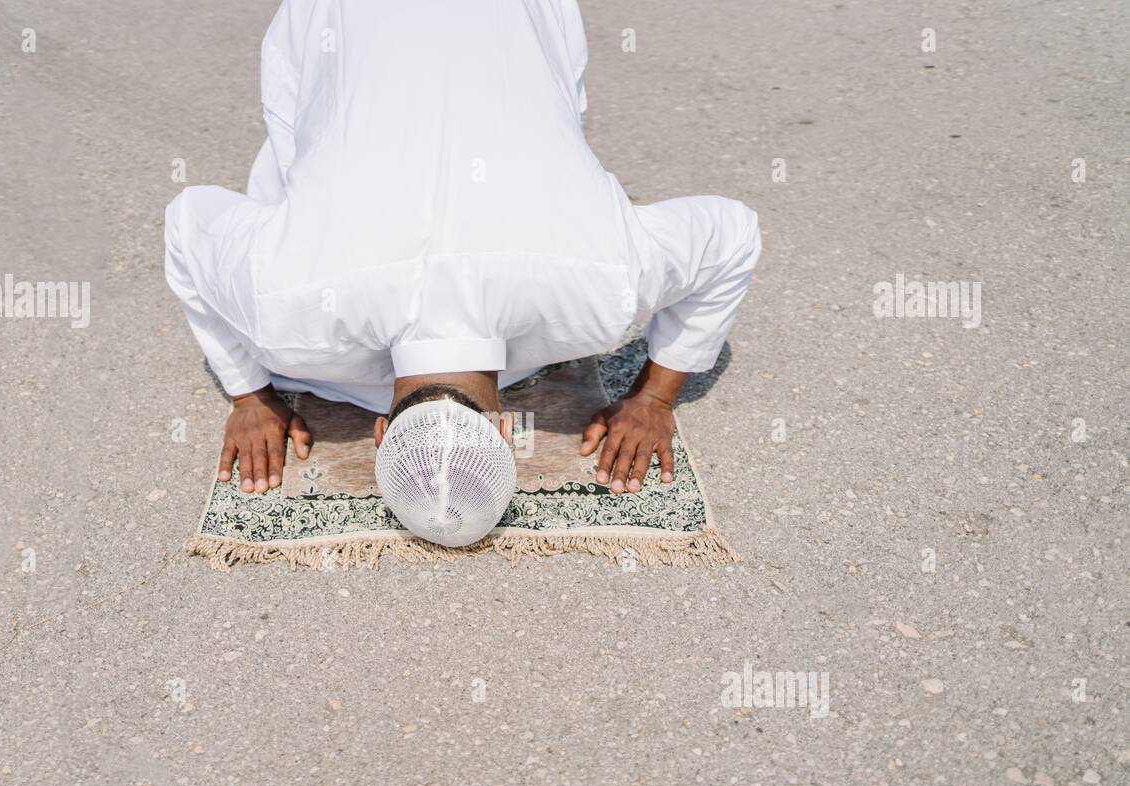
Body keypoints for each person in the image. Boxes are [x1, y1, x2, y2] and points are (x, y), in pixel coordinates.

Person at [165, 0, 761, 546]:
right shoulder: (287, 314)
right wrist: (252, 393)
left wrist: (656, 398)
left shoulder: (601, 290)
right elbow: (189, 224)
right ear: (381, 436)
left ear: (503, 430)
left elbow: (732, 233)